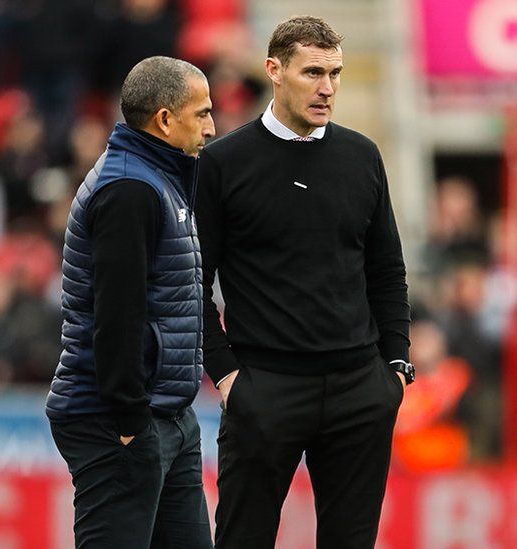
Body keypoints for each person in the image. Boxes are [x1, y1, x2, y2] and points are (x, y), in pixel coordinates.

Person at [195, 16, 412, 548]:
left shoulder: (362, 155)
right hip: (264, 387)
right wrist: (226, 376)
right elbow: (191, 282)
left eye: (335, 73)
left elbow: (387, 268)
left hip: (360, 387)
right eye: (313, 72)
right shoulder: (222, 162)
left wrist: (397, 366)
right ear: (274, 70)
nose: (327, 87)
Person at [45, 56, 215, 548]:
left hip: (166, 415)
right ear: (165, 119)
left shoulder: (158, 177)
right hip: (118, 417)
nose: (211, 125)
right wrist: (129, 422)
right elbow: (116, 316)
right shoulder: (129, 189)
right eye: (201, 113)